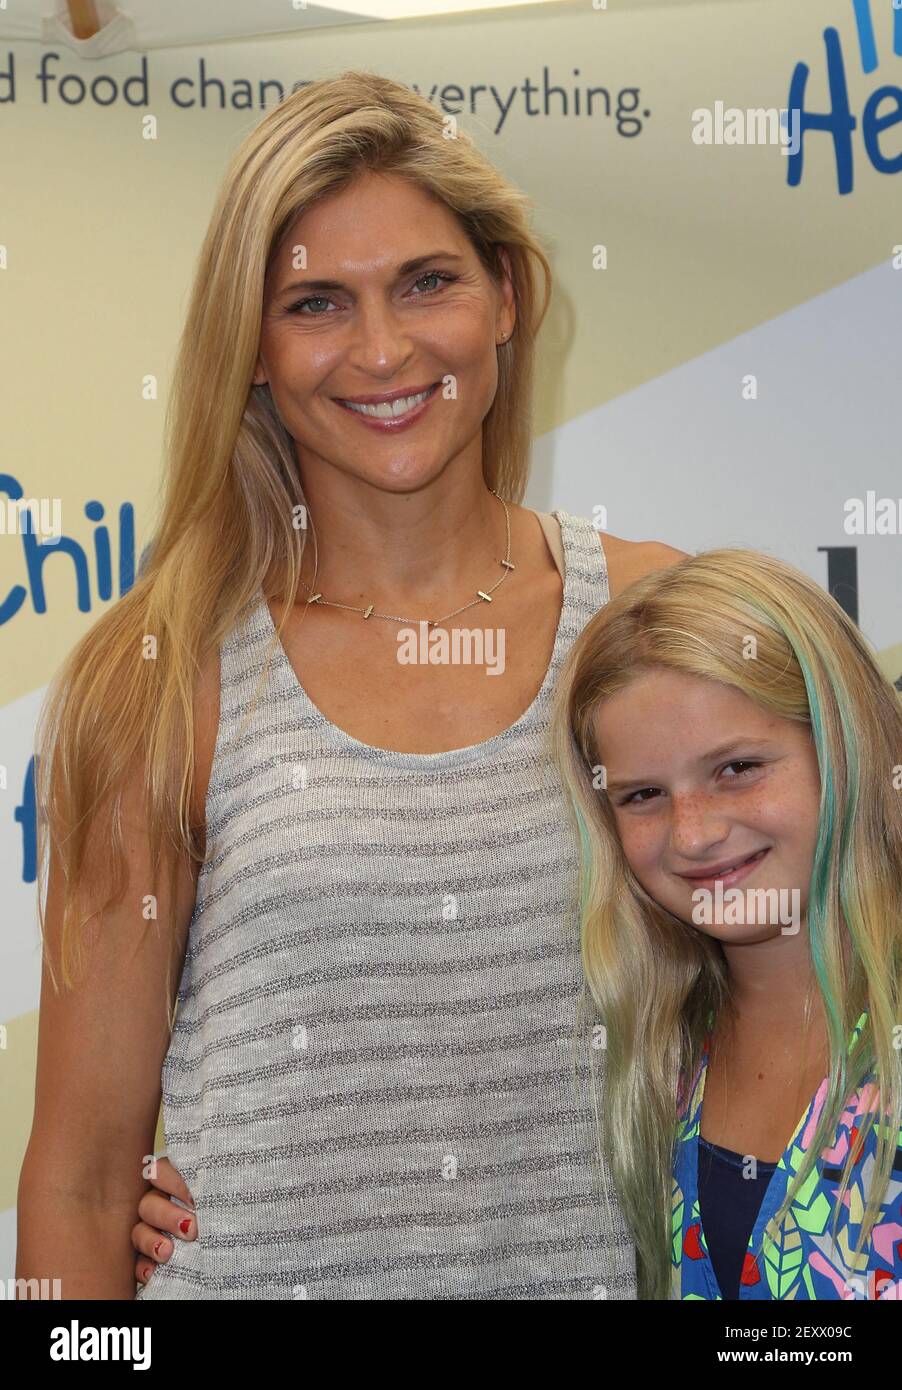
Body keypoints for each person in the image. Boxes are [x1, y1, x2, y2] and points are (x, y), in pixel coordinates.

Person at [17, 69, 685, 1300]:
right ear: (252, 352)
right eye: (315, 302)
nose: (382, 350)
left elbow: (811, 1006)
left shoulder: (651, 624)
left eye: (426, 282)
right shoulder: (160, 674)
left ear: (506, 296)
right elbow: (79, 1180)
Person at [549, 547, 902, 1300]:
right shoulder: (655, 1055)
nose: (694, 833)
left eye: (737, 768)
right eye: (643, 795)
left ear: (845, 744)